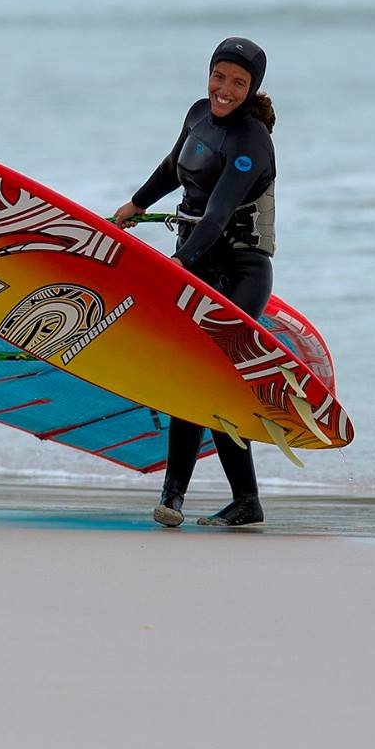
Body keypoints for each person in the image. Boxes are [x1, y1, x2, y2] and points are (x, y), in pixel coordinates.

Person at [113, 36, 277, 529]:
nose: (225, 90)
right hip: (198, 264)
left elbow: (218, 213)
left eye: (238, 83)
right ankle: (189, 500)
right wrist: (135, 204)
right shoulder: (197, 115)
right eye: (219, 77)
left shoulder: (252, 142)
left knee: (208, 377)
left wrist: (177, 263)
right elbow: (172, 168)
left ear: (252, 90)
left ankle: (224, 499)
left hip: (242, 272)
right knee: (188, 376)